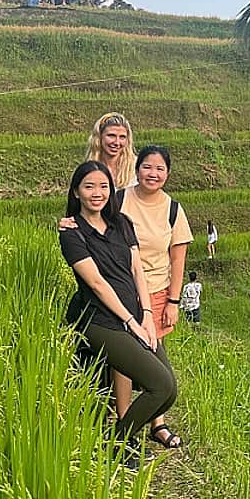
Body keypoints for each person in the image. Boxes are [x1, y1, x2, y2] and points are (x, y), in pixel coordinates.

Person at [62, 144, 192, 449]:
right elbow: (97, 284)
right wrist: (132, 322)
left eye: (103, 186)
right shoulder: (71, 232)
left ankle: (124, 431)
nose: (97, 192)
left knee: (168, 389)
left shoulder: (122, 223)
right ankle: (119, 440)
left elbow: (137, 272)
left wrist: (146, 315)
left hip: (136, 313)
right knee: (159, 385)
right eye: (89, 186)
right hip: (101, 320)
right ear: (76, 192)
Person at [87, 112, 136, 188]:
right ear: (99, 137)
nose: (117, 142)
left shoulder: (138, 167)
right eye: (111, 136)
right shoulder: (87, 169)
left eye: (122, 137)